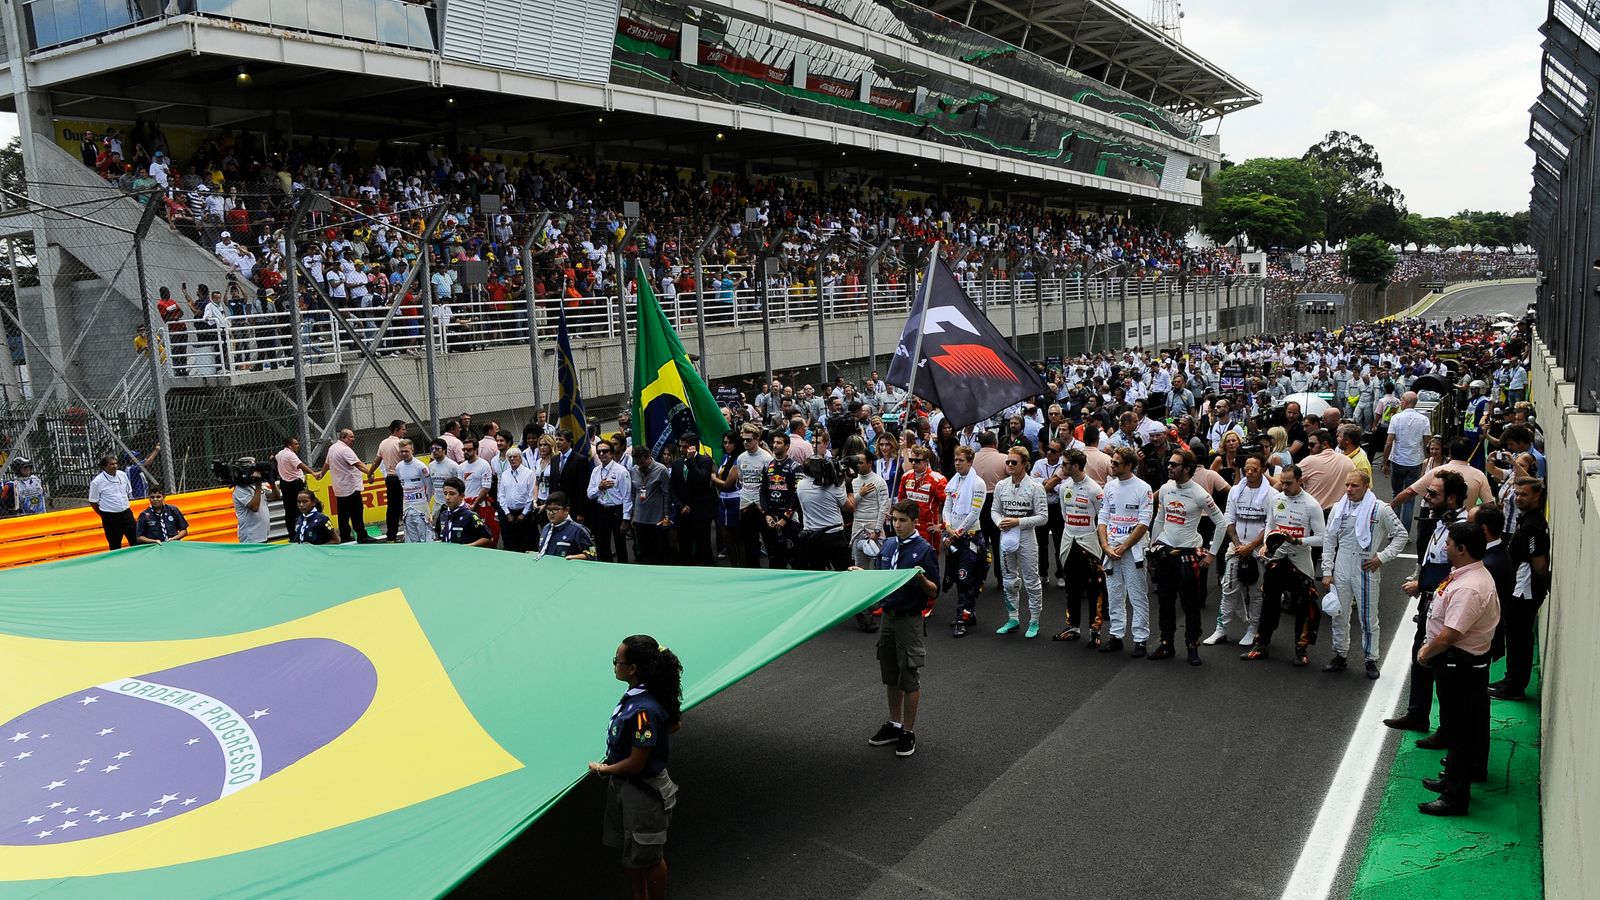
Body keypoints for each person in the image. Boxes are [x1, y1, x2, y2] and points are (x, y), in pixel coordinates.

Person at [589, 635, 683, 900]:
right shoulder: (641, 694)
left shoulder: (644, 709)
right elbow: (673, 725)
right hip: (626, 787)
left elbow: (636, 763)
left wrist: (603, 769)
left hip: (642, 793)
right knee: (631, 853)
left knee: (649, 857)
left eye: (617, 661)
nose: (614, 665)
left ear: (632, 669)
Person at [1415, 522, 1500, 816]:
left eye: (1449, 543)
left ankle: (1455, 797)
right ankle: (1452, 779)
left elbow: (1450, 634)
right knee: (1456, 726)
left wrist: (1426, 652)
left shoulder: (1469, 588)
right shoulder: (1466, 575)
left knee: (1461, 730)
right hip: (1457, 662)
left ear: (1462, 549)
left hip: (1460, 664)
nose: (1445, 546)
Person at [1386, 469, 1468, 735]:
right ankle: (1417, 714)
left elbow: (1455, 573)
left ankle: (1447, 729)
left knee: (1441, 667)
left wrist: (1422, 585)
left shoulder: (1461, 529)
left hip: (1445, 606)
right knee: (1419, 656)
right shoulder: (1441, 521)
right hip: (1430, 603)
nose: (1427, 497)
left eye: (1433, 493)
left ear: (1452, 498)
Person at [862, 499, 939, 759]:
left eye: (902, 520)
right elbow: (880, 580)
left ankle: (908, 731)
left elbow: (934, 591)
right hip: (888, 617)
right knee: (891, 673)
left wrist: (920, 578)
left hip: (909, 620)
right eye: (894, 520)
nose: (897, 525)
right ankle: (894, 724)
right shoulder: (888, 545)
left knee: (909, 676)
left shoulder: (924, 550)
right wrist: (860, 575)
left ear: (915, 521)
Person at [1320, 471, 1407, 678]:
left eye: (1354, 486)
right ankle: (1340, 654)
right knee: (1338, 614)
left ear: (1366, 486)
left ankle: (1370, 659)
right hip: (1342, 565)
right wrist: (1326, 570)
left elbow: (1401, 535)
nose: (1349, 489)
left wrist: (1382, 557)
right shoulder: (1338, 508)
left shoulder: (1380, 509)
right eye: (1347, 485)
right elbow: (1329, 540)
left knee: (1368, 617)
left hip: (1366, 567)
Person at [1147, 448, 1226, 665]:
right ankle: (1166, 644)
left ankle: (1192, 646)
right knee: (1165, 602)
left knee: (1190, 605)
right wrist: (1152, 549)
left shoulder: (1200, 494)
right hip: (1165, 553)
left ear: (1187, 468)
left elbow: (1221, 523)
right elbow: (1160, 519)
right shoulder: (1165, 489)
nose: (1169, 467)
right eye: (1169, 463)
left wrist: (1211, 555)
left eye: (1174, 464)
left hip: (1187, 556)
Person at [1244, 465, 1326, 665]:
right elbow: (1270, 525)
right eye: (1282, 482)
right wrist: (1266, 544)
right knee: (1269, 602)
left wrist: (1298, 541)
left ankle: (1301, 648)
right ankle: (1261, 644)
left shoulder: (1312, 505)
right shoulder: (1276, 499)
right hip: (1277, 558)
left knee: (1304, 605)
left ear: (1300, 481)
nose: (1284, 486)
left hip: (1300, 560)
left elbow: (1322, 538)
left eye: (1289, 483)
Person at [1491, 477, 1549, 700]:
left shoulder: (1534, 525)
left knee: (1519, 638)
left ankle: (1515, 687)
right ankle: (1510, 679)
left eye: (1524, 494)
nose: (1519, 498)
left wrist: (1543, 582)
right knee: (1514, 636)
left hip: (1525, 590)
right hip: (1519, 587)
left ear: (1536, 496)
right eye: (1517, 494)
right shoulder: (1526, 519)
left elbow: (1539, 563)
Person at [1207, 455, 1273, 647]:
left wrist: (1250, 547)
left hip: (1259, 551)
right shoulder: (1235, 491)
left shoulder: (1272, 495)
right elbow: (1229, 518)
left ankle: (1253, 629)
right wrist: (1237, 544)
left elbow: (1270, 525)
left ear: (1263, 469)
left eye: (1254, 469)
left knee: (1256, 593)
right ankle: (1221, 629)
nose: (1250, 472)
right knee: (1228, 589)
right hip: (1236, 548)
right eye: (1247, 469)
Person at [1098, 446, 1152, 656]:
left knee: (1137, 595)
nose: (1112, 465)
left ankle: (1140, 639)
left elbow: (1144, 522)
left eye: (1116, 463)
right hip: (1111, 549)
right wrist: (1105, 546)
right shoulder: (1109, 487)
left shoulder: (1143, 488)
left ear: (1129, 465)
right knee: (1114, 593)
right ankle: (1116, 635)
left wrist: (1125, 546)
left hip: (1133, 550)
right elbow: (1103, 517)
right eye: (1112, 461)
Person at [991, 446, 1048, 638]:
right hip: (1006, 535)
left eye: (1014, 462)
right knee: (1009, 580)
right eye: (1007, 461)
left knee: (1032, 580)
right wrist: (999, 522)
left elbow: (1043, 517)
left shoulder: (1035, 487)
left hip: (1026, 536)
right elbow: (994, 510)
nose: (1009, 465)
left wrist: (1018, 522)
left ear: (1025, 464)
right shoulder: (1001, 485)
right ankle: (1013, 618)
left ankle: (1034, 621)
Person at [1053, 448, 1105, 645]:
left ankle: (1095, 630)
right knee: (1072, 587)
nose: (1061, 467)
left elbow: (1102, 517)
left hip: (1089, 542)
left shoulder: (1095, 490)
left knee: (1094, 588)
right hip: (1069, 540)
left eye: (1064, 464)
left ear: (1076, 466)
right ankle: (1073, 627)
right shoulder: (1064, 487)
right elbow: (1064, 513)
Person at [941, 445, 988, 638]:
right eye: (955, 460)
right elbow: (946, 508)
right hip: (953, 537)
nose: (957, 463)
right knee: (955, 578)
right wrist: (947, 527)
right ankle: (969, 612)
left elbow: (974, 513)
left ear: (970, 461)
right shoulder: (953, 482)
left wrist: (956, 533)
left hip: (971, 538)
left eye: (961, 460)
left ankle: (961, 619)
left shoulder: (978, 483)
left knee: (965, 578)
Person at [795, 454, 854, 572]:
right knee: (845, 571)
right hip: (834, 536)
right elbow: (850, 507)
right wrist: (848, 484)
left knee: (817, 574)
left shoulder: (800, 485)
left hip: (812, 537)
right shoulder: (833, 488)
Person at [1383, 392, 1430, 532]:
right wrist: (1428, 461)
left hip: (1398, 460)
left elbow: (1389, 442)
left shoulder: (1396, 418)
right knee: (1409, 498)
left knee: (1396, 494)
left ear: (1407, 402)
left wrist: (1385, 462)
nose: (1400, 402)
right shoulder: (1423, 419)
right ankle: (1405, 532)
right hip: (1415, 461)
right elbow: (1427, 443)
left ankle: (1394, 530)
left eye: (1402, 400)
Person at [320, 429, 377, 544]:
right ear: (343, 437)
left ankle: (345, 535)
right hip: (351, 486)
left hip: (340, 487)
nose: (353, 439)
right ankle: (361, 535)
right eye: (351, 437)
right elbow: (358, 464)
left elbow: (327, 463)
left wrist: (321, 474)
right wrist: (370, 473)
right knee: (356, 512)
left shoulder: (333, 448)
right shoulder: (345, 450)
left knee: (343, 514)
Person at [669, 433, 716, 566]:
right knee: (684, 547)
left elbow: (701, 478)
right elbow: (672, 488)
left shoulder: (705, 461)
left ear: (693, 447)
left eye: (684, 447)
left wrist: (691, 461)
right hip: (683, 512)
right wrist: (680, 505)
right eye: (680, 446)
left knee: (703, 547)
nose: (681, 449)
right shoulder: (677, 463)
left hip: (700, 512)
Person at [733, 425, 773, 568]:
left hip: (762, 506)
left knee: (769, 541)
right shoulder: (741, 458)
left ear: (757, 439)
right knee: (749, 543)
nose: (745, 443)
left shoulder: (766, 458)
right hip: (746, 504)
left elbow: (770, 483)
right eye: (743, 440)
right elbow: (742, 480)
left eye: (749, 440)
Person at [760, 432, 802, 569]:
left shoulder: (795, 467)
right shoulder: (768, 466)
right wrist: (766, 514)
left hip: (790, 518)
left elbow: (797, 494)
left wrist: (785, 518)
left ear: (787, 446)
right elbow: (763, 492)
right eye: (773, 442)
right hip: (771, 518)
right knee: (774, 557)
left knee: (794, 556)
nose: (774, 445)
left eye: (779, 442)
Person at [588, 439, 634, 563]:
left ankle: (623, 568)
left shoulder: (621, 471)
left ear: (611, 453)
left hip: (616, 511)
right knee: (602, 544)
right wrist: (599, 488)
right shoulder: (596, 471)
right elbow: (590, 494)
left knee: (620, 544)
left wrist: (626, 519)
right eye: (599, 452)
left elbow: (627, 497)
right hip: (601, 509)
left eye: (605, 451)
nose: (601, 454)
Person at [1031, 440, 1067, 587]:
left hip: (1057, 508)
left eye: (1053, 450)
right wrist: (1052, 483)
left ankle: (1061, 574)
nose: (1049, 452)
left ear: (1060, 453)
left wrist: (1046, 484)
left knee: (1059, 543)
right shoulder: (1039, 463)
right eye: (1048, 449)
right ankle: (1043, 573)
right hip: (1041, 507)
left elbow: (1064, 487)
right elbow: (1033, 482)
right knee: (1041, 543)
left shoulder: (1064, 466)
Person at [631, 446, 673, 564]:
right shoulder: (634, 470)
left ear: (649, 457)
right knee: (642, 552)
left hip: (656, 520)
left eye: (642, 463)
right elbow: (633, 494)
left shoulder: (661, 470)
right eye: (638, 464)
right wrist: (634, 515)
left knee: (658, 553)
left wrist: (666, 516)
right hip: (640, 519)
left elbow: (667, 494)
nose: (640, 466)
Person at [88, 455, 138, 550]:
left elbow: (128, 491)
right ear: (104, 466)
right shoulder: (97, 482)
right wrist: (103, 514)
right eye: (111, 464)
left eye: (116, 463)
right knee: (115, 544)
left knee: (135, 540)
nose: (115, 466)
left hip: (126, 513)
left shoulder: (122, 475)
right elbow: (93, 501)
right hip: (110, 517)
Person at [371, 420, 408, 542]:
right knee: (406, 506)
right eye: (403, 429)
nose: (405, 431)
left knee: (392, 508)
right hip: (402, 478)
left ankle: (391, 536)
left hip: (390, 479)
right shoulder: (401, 444)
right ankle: (409, 533)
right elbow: (408, 459)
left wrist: (370, 473)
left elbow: (377, 461)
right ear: (396, 430)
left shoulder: (383, 443)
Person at [497, 447, 537, 552]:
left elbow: (531, 495)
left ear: (520, 458)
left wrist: (524, 514)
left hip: (525, 514)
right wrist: (507, 513)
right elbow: (501, 495)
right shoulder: (505, 475)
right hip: (508, 513)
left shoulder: (529, 474)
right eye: (510, 457)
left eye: (515, 457)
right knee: (510, 543)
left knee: (526, 543)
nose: (512, 459)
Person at [232, 459, 281, 544]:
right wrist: (258, 485)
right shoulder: (240, 490)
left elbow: (276, 496)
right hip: (250, 536)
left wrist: (272, 482)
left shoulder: (256, 485)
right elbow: (254, 507)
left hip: (262, 534)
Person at [393, 439, 433, 543]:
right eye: (402, 451)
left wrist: (426, 501)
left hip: (420, 506)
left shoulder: (421, 466)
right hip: (407, 507)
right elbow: (402, 484)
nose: (404, 454)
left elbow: (429, 486)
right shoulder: (399, 467)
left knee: (424, 536)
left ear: (412, 450)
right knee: (411, 538)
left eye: (406, 451)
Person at [434, 477, 493, 547]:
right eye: (445, 493)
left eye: (452, 494)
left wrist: (467, 546)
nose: (447, 497)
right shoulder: (444, 514)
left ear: (461, 496)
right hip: (447, 552)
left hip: (464, 553)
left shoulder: (470, 516)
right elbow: (446, 538)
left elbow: (488, 538)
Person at [275, 436, 315, 537]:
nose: (298, 446)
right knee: (300, 509)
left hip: (285, 484)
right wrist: (312, 473)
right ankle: (302, 533)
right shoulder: (290, 455)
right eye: (296, 444)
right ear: (290, 445)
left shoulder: (280, 454)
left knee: (289, 511)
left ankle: (292, 534)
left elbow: (274, 458)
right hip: (295, 484)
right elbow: (300, 465)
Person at [539, 492, 596, 559]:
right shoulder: (546, 528)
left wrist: (573, 557)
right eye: (548, 509)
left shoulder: (578, 530)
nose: (551, 513)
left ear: (566, 510)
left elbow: (592, 554)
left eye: (555, 509)